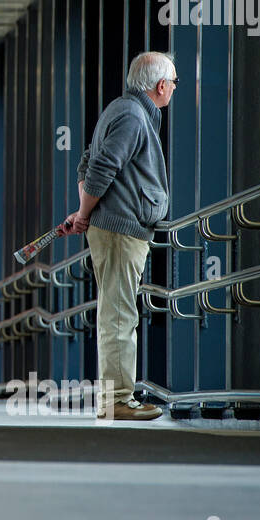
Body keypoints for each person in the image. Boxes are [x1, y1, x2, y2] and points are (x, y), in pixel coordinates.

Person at [59, 51, 176, 421]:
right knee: (120, 315)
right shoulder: (133, 115)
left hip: (114, 227)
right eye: (173, 83)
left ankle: (117, 397)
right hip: (120, 230)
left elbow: (86, 162)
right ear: (161, 86)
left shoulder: (120, 109)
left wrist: (84, 212)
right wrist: (84, 213)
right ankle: (117, 400)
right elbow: (102, 166)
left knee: (117, 312)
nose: (173, 89)